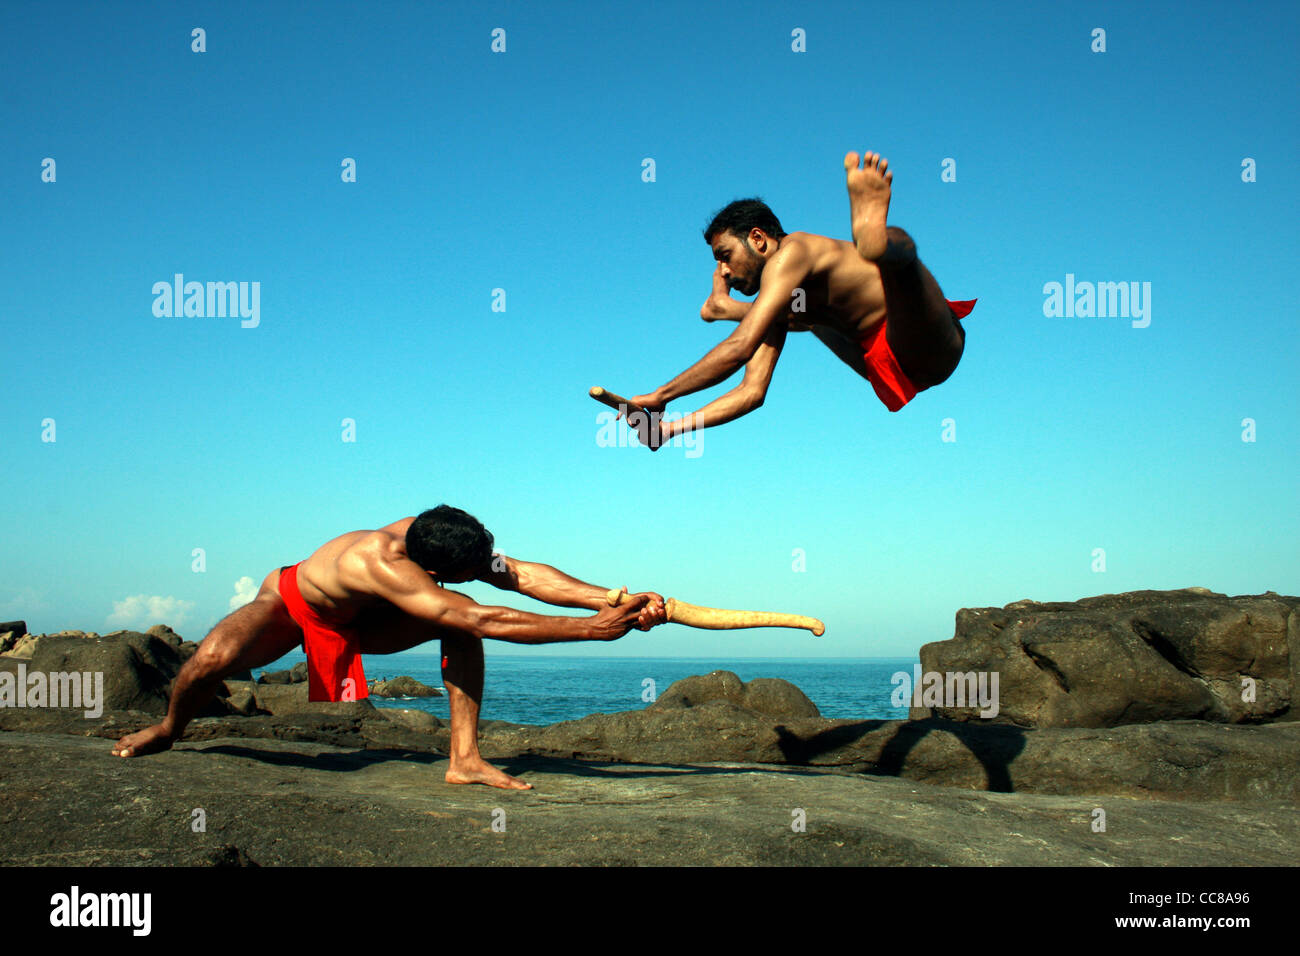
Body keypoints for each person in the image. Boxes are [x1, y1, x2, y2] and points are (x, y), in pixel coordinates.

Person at [112, 505, 666, 790]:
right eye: (467, 572)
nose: (483, 573)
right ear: (430, 571)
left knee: (458, 627)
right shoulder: (381, 562)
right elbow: (483, 614)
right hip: (292, 606)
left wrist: (613, 597)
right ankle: (168, 728)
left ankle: (465, 760)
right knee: (210, 659)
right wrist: (591, 630)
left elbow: (518, 576)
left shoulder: (436, 535)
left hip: (364, 618)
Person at [621, 151, 976, 448]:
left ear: (758, 239)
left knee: (899, 258)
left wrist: (662, 395)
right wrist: (671, 429)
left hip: (924, 337)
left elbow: (740, 347)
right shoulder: (779, 299)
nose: (724, 271)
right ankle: (728, 308)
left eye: (725, 254)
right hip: (889, 363)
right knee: (799, 314)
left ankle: (880, 242)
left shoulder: (793, 252)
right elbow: (751, 391)